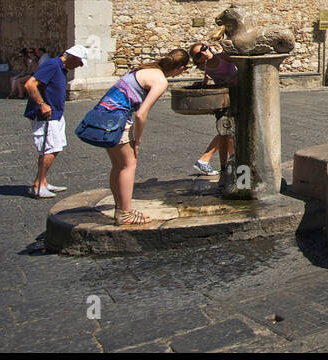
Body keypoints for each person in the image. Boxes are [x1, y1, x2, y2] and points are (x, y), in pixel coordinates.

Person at [90, 48, 190, 225]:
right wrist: (137, 139)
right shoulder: (160, 80)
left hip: (103, 114)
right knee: (129, 165)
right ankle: (125, 214)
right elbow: (141, 114)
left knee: (118, 166)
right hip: (118, 119)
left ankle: (120, 208)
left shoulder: (144, 69)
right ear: (181, 68)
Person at [24, 45, 88, 198]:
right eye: (79, 62)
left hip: (56, 114)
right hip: (46, 115)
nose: (79, 66)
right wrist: (42, 104)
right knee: (49, 149)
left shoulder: (60, 68)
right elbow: (30, 84)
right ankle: (38, 185)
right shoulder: (52, 65)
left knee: (55, 147)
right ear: (72, 57)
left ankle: (43, 181)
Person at [189, 42, 239, 177]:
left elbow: (241, 67)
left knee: (227, 132)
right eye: (199, 54)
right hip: (224, 98)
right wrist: (203, 83)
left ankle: (225, 166)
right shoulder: (206, 66)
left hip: (236, 95)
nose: (204, 53)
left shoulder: (224, 57)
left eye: (204, 49)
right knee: (226, 130)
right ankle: (205, 159)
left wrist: (234, 78)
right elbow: (207, 77)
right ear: (197, 59)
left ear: (208, 47)